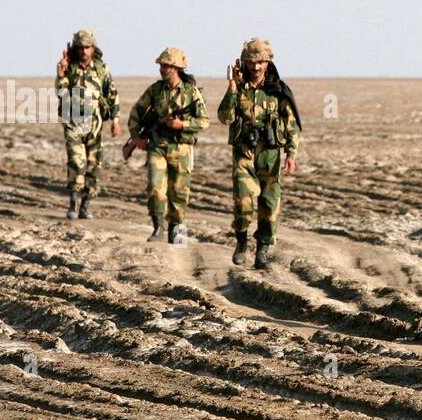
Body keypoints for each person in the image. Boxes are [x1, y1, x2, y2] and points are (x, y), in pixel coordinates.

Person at [218, 38, 301, 268]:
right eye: (251, 62)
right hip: (244, 152)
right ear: (244, 63)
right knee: (244, 200)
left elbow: (291, 125)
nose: (256, 67)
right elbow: (224, 117)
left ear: (267, 63)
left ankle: (263, 251)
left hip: (271, 154)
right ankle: (242, 241)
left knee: (269, 203)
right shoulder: (239, 87)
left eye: (261, 62)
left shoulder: (277, 89)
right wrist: (232, 87)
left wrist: (291, 155)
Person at [125, 47, 209, 244]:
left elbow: (204, 121)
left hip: (182, 148)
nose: (162, 69)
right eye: (161, 66)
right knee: (155, 187)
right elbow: (136, 112)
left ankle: (177, 232)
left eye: (167, 66)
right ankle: (158, 228)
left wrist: (183, 125)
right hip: (158, 146)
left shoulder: (191, 92)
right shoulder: (155, 90)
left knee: (179, 193)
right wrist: (136, 137)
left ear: (177, 68)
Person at [55, 29, 119, 219]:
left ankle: (86, 205)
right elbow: (60, 92)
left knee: (93, 164)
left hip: (95, 124)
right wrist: (61, 74)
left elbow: (112, 94)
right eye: (81, 47)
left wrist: (115, 120)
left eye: (88, 47)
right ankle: (73, 204)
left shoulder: (101, 69)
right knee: (76, 161)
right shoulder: (68, 66)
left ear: (93, 48)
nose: (84, 51)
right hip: (73, 122)